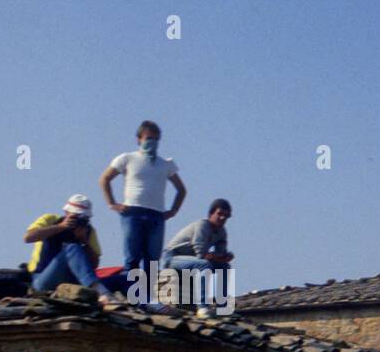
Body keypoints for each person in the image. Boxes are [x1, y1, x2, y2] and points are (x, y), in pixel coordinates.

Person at [99, 120, 186, 304]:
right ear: (139, 139)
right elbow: (105, 179)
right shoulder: (127, 158)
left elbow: (181, 189)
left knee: (152, 259)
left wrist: (173, 210)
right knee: (132, 257)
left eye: (155, 139)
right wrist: (112, 203)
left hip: (156, 214)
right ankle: (132, 295)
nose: (152, 142)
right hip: (133, 212)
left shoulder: (165, 164)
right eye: (148, 138)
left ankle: (147, 297)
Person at [22, 195, 124, 303]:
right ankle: (100, 291)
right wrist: (61, 227)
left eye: (83, 219)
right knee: (71, 247)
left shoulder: (88, 231)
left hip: (73, 280)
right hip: (44, 280)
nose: (79, 221)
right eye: (76, 217)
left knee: (127, 278)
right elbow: (28, 237)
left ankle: (140, 304)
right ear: (67, 212)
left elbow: (94, 265)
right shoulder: (50, 220)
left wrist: (84, 242)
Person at [160, 199, 234, 317]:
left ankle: (222, 307)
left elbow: (221, 254)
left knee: (225, 267)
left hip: (193, 260)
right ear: (211, 214)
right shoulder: (203, 225)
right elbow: (201, 253)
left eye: (226, 215)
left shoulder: (221, 232)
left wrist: (224, 257)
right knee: (204, 264)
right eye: (219, 214)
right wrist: (218, 257)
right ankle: (203, 307)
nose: (222, 218)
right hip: (173, 257)